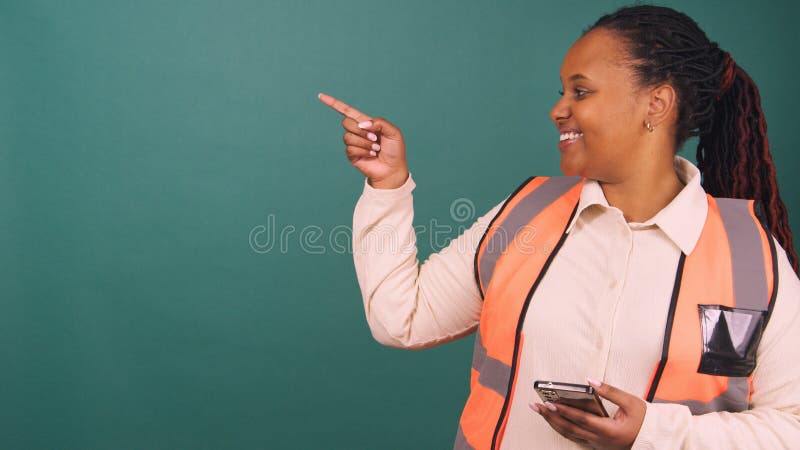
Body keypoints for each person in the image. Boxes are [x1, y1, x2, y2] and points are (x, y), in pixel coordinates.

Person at [318, 4, 800, 449]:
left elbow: (792, 425)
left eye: (582, 91)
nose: (558, 109)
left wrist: (654, 434)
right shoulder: (524, 212)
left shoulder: (753, 259)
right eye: (562, 92)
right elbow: (401, 319)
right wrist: (388, 187)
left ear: (657, 104)